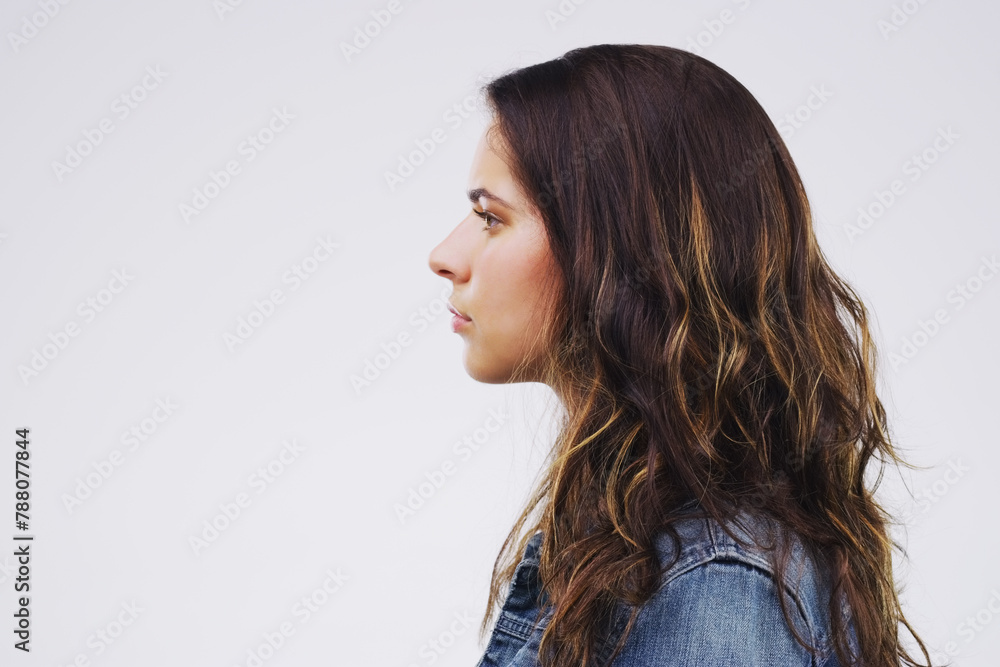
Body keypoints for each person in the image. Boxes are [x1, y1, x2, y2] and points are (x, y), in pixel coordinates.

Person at [427, 44, 932, 667]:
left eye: (489, 217)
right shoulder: (647, 556)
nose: (444, 255)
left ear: (620, 250)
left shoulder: (712, 588)